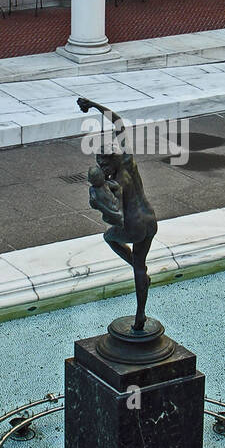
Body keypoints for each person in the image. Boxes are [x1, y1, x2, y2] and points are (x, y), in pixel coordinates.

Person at [78, 97, 158, 331]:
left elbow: (115, 214)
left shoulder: (113, 183)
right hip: (150, 220)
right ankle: (140, 313)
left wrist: (98, 203)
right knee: (141, 267)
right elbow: (119, 124)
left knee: (109, 237)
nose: (103, 170)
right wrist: (94, 106)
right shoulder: (128, 163)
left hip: (133, 227)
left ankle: (136, 270)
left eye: (103, 165)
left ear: (109, 163)